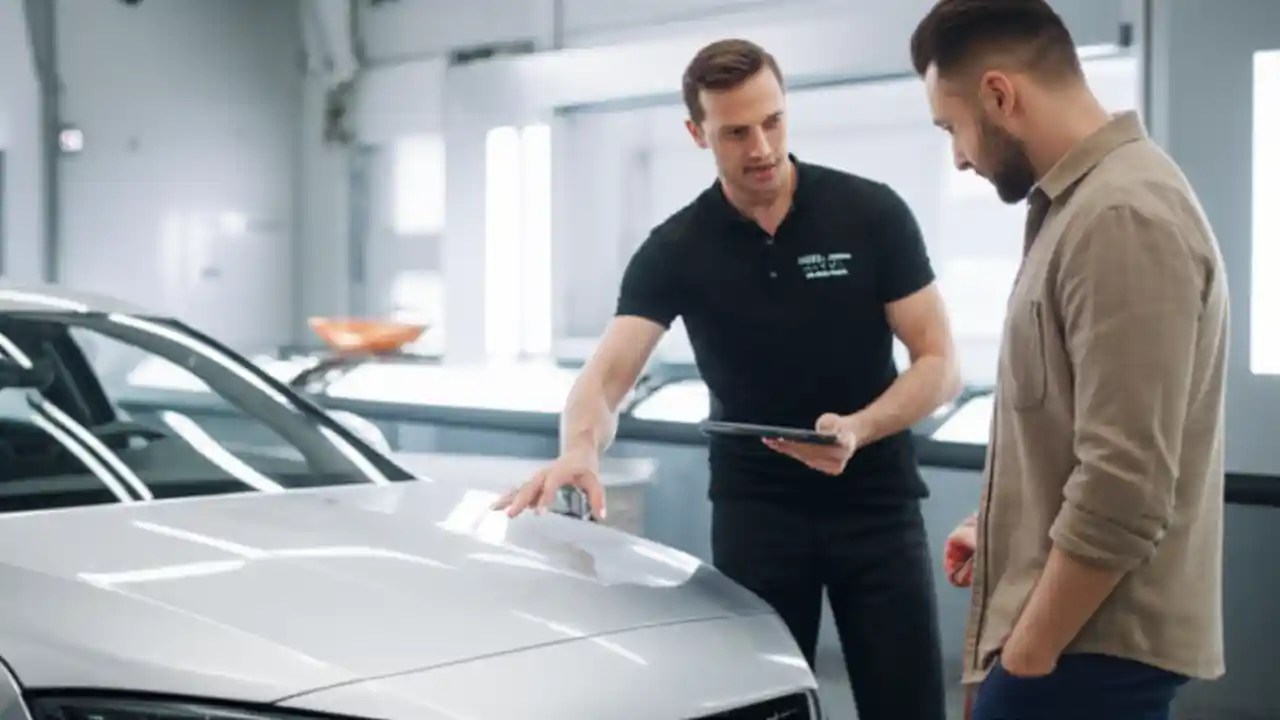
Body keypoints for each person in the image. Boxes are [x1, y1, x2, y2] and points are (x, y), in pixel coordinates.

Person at [495, 38, 960, 720]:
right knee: (761, 710)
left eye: (772, 121)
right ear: (697, 134)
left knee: (907, 707)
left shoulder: (870, 213)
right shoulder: (676, 248)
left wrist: (859, 429)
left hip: (877, 509)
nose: (762, 147)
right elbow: (606, 378)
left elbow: (940, 362)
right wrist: (579, 450)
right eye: (736, 132)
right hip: (757, 516)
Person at [910, 1, 1230, 718]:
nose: (958, 155)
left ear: (1000, 95)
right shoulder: (1078, 208)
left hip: (1084, 653)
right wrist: (1000, 525)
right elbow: (1079, 434)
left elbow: (1126, 483)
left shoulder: (1123, 215)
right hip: (1065, 647)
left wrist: (1028, 656)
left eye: (950, 128)